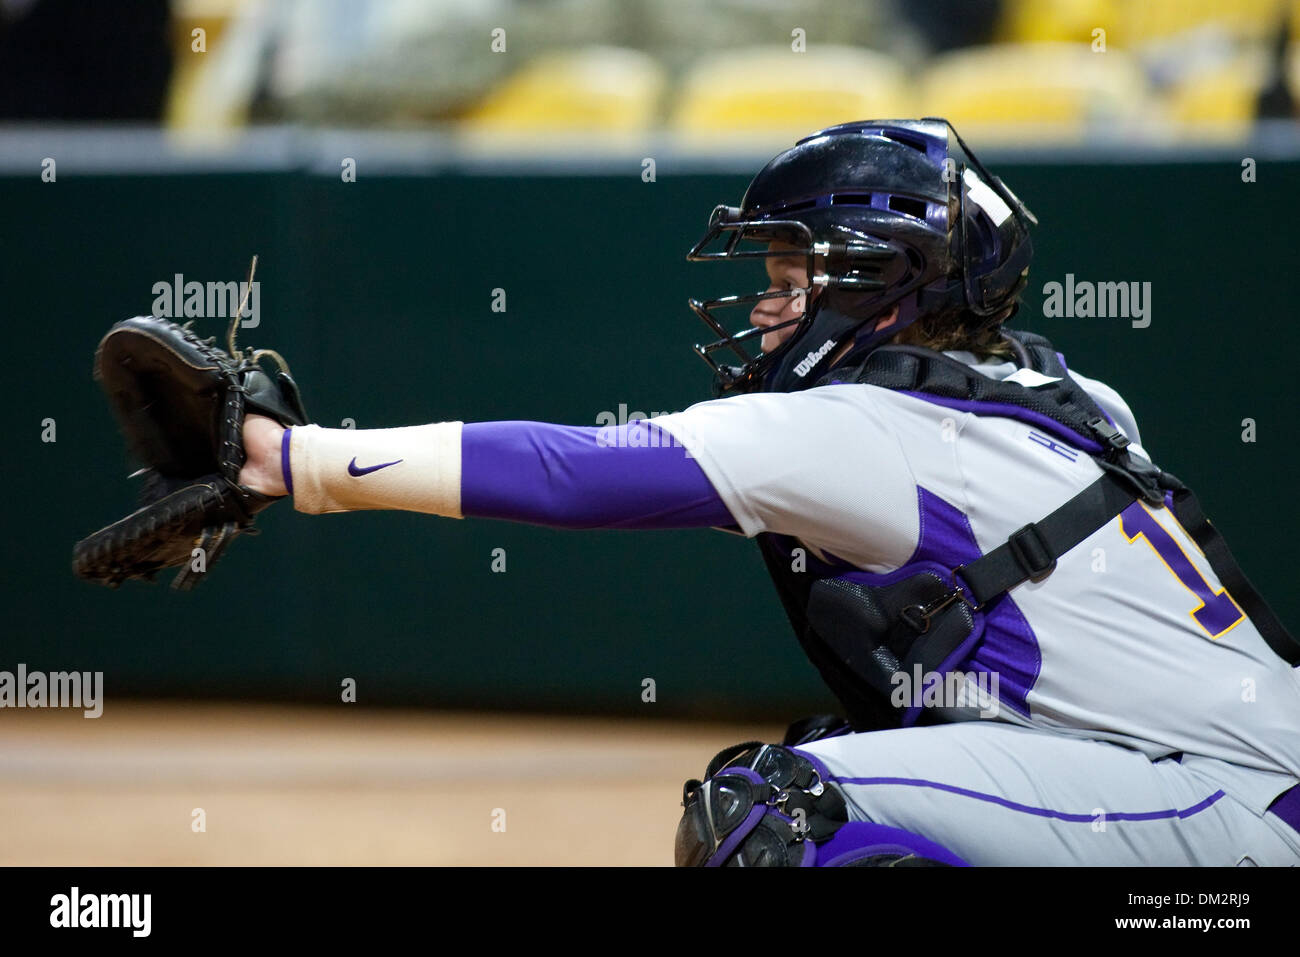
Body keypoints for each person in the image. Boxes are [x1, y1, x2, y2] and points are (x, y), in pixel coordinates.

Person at [237, 119, 1300, 866]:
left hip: (1218, 803)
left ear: (880, 282)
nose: (763, 306)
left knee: (777, 815)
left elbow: (574, 472)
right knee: (856, 765)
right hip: (1222, 790)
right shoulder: (1062, 391)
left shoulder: (865, 427)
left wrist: (293, 462)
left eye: (793, 277)